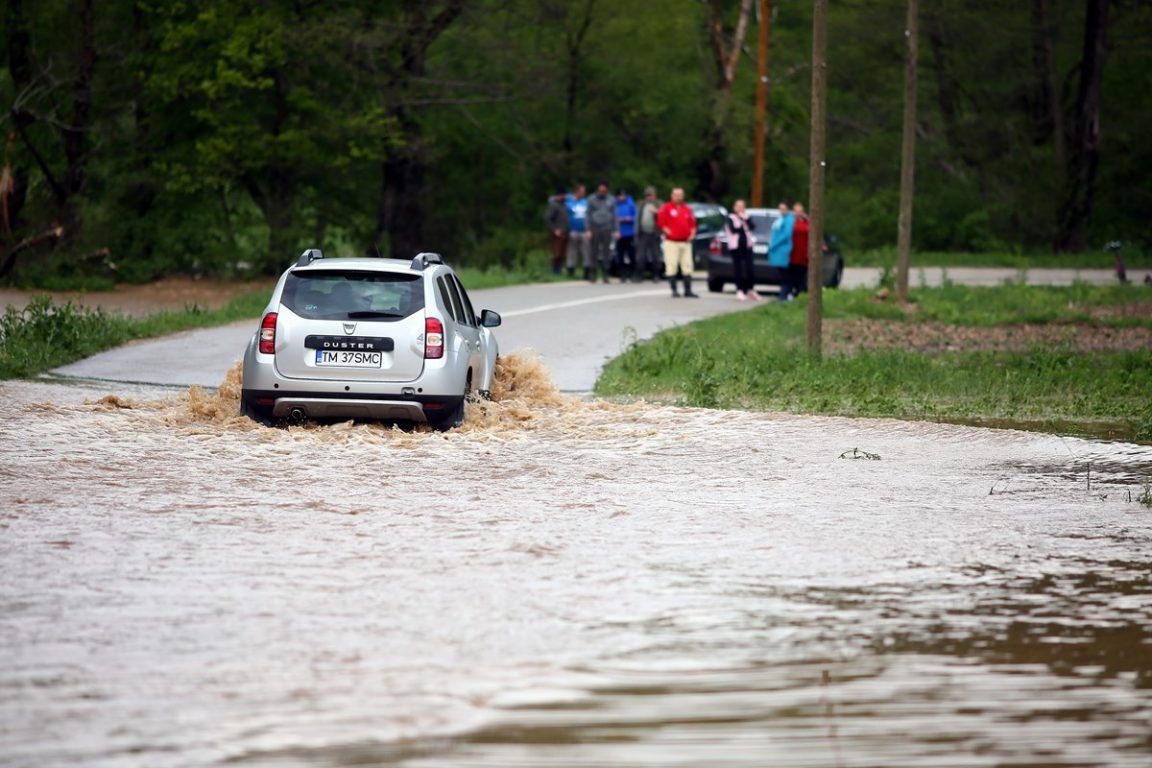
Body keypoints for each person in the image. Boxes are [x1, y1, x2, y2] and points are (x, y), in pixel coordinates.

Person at [657, 187, 698, 298]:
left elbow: (693, 224)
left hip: (685, 242)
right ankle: (674, 290)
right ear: (672, 195)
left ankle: (688, 290)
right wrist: (668, 231)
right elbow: (661, 223)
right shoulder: (666, 208)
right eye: (676, 195)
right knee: (672, 265)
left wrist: (692, 234)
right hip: (672, 242)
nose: (678, 197)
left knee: (687, 265)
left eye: (680, 195)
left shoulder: (687, 209)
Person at [725, 199, 759, 301]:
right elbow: (733, 229)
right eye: (738, 206)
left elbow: (753, 226)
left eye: (742, 206)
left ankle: (750, 289)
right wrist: (742, 222)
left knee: (750, 268)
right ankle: (739, 290)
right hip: (736, 246)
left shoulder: (747, 217)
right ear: (734, 207)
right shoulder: (731, 217)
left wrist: (746, 220)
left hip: (747, 245)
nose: (740, 208)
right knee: (738, 268)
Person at [586, 182, 618, 282]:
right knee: (593, 251)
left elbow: (614, 215)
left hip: (607, 228)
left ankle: (606, 274)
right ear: (597, 190)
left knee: (606, 252)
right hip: (594, 227)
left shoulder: (611, 199)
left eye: (603, 191)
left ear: (606, 191)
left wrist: (616, 230)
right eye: (600, 191)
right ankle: (593, 273)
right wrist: (588, 229)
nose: (601, 192)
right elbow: (587, 215)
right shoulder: (591, 199)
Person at [767, 199, 795, 300]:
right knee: (782, 274)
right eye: (780, 209)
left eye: (783, 209)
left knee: (785, 274)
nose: (781, 211)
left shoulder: (789, 219)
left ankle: (784, 295)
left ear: (788, 209)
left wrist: (774, 244)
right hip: (777, 250)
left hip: (783, 250)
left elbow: (786, 234)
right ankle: (786, 294)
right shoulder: (780, 219)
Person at [634, 186, 663, 282]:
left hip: (655, 234)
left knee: (656, 255)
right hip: (643, 233)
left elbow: (664, 215)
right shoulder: (642, 204)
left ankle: (656, 275)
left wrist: (656, 212)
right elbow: (637, 218)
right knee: (641, 256)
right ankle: (640, 274)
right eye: (647, 195)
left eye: (650, 195)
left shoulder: (659, 204)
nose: (649, 197)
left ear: (654, 195)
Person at [564, 183, 589, 278]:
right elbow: (553, 199)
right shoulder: (568, 201)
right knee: (571, 251)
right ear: (577, 191)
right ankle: (571, 271)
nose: (584, 193)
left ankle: (587, 271)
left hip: (584, 231)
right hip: (572, 230)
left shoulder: (585, 202)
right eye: (582, 191)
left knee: (586, 251)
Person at [787, 201, 811, 299]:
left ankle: (801, 293)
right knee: (793, 274)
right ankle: (793, 291)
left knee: (803, 274)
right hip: (792, 251)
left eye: (800, 211)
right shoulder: (790, 221)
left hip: (804, 252)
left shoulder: (807, 222)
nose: (798, 213)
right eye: (796, 211)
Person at [544, 187, 569, 275]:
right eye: (563, 195)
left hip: (565, 232)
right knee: (556, 253)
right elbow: (547, 218)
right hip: (557, 233)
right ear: (559, 195)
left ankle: (559, 270)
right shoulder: (553, 205)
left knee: (562, 253)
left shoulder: (564, 204)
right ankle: (553, 271)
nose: (564, 196)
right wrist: (554, 229)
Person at [614, 188, 637, 281]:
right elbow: (612, 217)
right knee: (620, 255)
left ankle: (632, 273)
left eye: (623, 195)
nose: (621, 197)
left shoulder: (631, 204)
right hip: (619, 233)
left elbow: (636, 216)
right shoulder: (615, 205)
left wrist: (630, 218)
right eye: (620, 195)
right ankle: (622, 274)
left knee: (631, 254)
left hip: (630, 232)